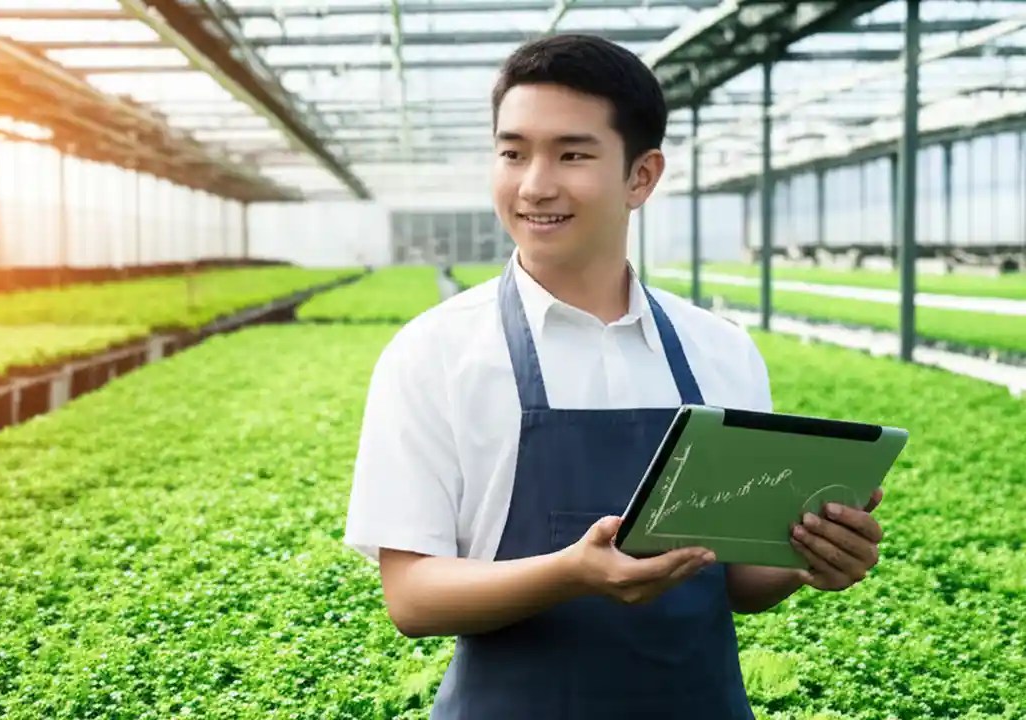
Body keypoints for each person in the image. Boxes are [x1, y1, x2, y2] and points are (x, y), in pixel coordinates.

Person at [343, 33, 886, 719]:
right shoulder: (435, 353)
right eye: (513, 153)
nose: (535, 184)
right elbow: (413, 597)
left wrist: (812, 558)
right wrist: (572, 574)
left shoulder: (719, 350)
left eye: (572, 154)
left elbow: (739, 582)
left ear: (642, 177)